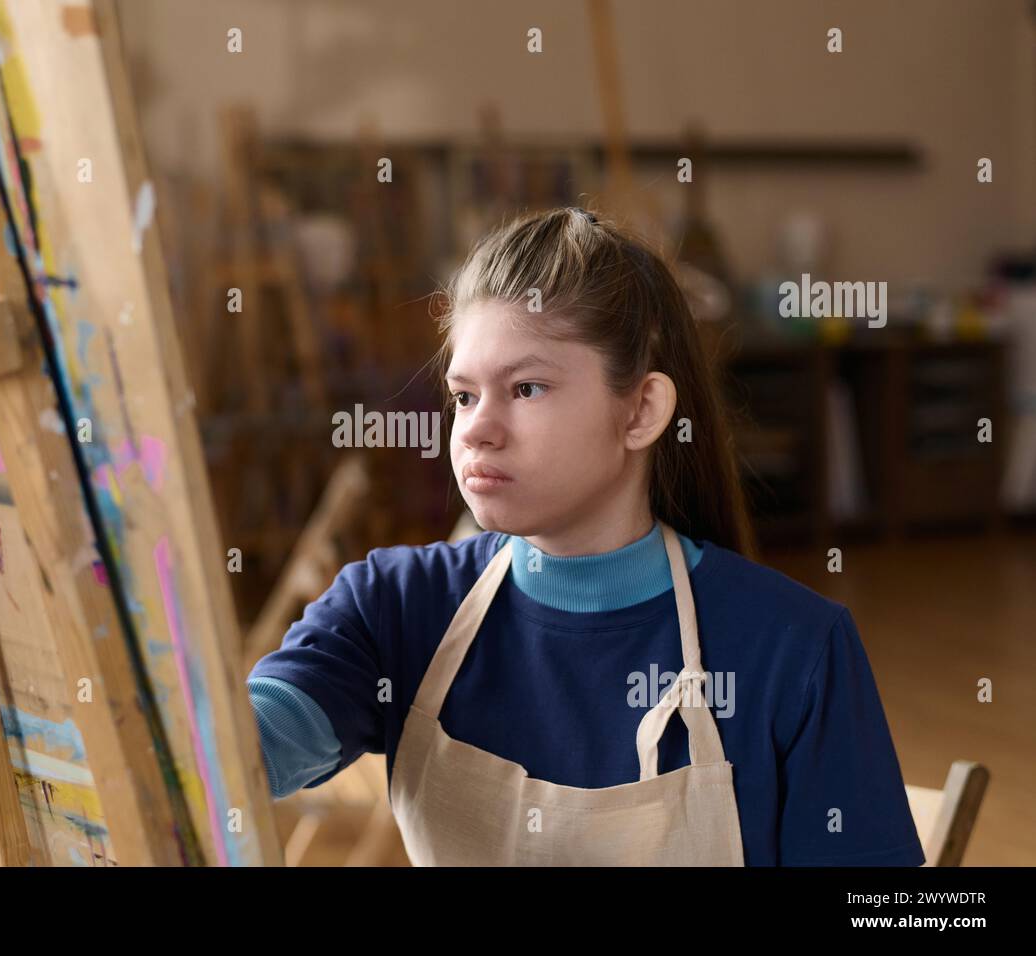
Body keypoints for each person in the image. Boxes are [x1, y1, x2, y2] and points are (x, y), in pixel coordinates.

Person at [248, 206, 924, 866]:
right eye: (463, 395)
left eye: (527, 388)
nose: (477, 428)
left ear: (642, 410)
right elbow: (244, 752)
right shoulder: (392, 608)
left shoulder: (793, 650)